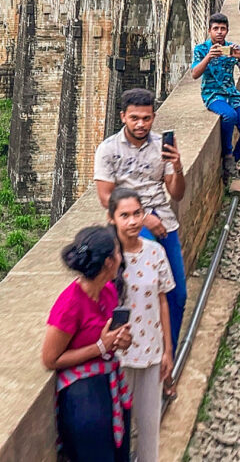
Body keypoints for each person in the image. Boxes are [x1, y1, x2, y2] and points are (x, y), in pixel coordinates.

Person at [94, 88, 186, 375]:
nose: (140, 124)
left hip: (165, 222)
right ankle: (140, 363)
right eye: (134, 118)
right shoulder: (109, 149)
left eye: (146, 118)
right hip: (130, 227)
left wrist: (177, 166)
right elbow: (106, 197)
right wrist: (143, 217)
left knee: (177, 296)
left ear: (153, 117)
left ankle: (166, 358)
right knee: (141, 294)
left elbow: (177, 194)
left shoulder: (161, 146)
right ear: (123, 117)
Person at [42, 226, 132, 462]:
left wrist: (120, 341)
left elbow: (109, 339)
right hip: (83, 398)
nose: (121, 258)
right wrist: (100, 347)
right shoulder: (70, 304)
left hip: (107, 384)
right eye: (117, 254)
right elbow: (50, 358)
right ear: (108, 263)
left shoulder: (109, 292)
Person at [110, 188, 174, 462]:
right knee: (119, 435)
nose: (133, 221)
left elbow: (162, 302)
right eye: (125, 215)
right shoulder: (109, 259)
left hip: (150, 353)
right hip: (118, 358)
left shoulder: (156, 252)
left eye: (137, 213)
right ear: (112, 219)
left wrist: (167, 350)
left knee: (149, 432)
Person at [191, 13, 240, 179]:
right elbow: (195, 74)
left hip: (232, 95)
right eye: (216, 29)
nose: (219, 32)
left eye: (222, 29)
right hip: (212, 95)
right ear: (209, 31)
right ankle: (227, 155)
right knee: (229, 116)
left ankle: (231, 163)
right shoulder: (201, 49)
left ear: (227, 31)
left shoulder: (232, 48)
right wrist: (208, 57)